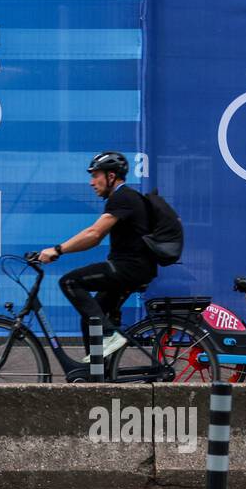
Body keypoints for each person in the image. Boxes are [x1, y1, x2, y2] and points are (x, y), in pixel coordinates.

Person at [38, 151, 156, 361]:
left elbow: (94, 234)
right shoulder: (124, 197)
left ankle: (110, 335)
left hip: (130, 268)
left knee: (70, 282)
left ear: (111, 176)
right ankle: (97, 377)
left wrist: (57, 250)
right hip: (134, 267)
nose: (92, 182)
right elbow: (94, 238)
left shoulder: (122, 197)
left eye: (96, 176)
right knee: (90, 319)